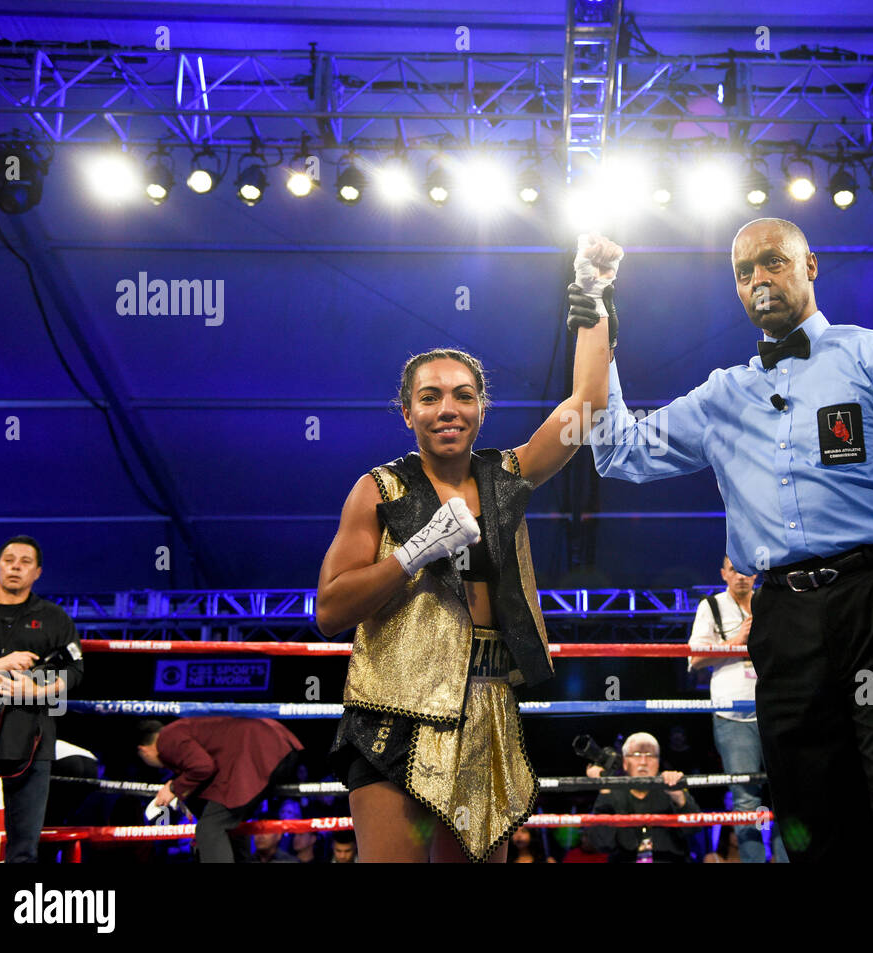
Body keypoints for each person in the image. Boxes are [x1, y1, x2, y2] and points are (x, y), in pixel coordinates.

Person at [584, 218, 873, 862]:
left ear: (811, 265)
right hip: (785, 624)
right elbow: (617, 450)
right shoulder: (723, 395)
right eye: (743, 273)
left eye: (772, 262)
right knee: (813, 819)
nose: (757, 281)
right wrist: (597, 315)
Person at [314, 235, 621, 863]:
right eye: (429, 397)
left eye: (462, 395)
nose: (446, 408)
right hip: (393, 709)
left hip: (487, 701)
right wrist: (414, 553)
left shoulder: (508, 476)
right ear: (406, 413)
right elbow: (330, 611)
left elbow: (587, 409)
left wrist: (594, 297)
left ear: (483, 407)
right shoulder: (378, 490)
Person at [0, 536, 83, 863]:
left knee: (24, 850)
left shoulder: (54, 619)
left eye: (25, 561)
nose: (16, 566)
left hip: (31, 740)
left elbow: (73, 670)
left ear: (38, 572)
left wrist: (35, 690)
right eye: (9, 559)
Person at [687, 555, 787, 862]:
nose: (741, 576)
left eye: (747, 571)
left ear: (756, 575)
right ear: (724, 574)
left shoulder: (773, 602)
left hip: (778, 710)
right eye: (734, 570)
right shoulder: (711, 606)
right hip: (733, 715)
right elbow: (694, 659)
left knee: (788, 793)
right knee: (746, 799)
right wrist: (737, 642)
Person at [137, 717, 303, 863]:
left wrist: (174, 788)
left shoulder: (166, 738)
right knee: (228, 824)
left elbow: (203, 767)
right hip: (275, 747)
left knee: (209, 828)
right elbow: (205, 768)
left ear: (143, 750)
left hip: (263, 752)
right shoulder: (182, 730)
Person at [584, 732, 702, 863]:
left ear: (658, 761)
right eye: (636, 755)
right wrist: (604, 788)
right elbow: (602, 843)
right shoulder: (613, 791)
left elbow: (695, 831)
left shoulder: (670, 784)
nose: (643, 762)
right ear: (624, 763)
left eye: (650, 755)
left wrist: (680, 798)